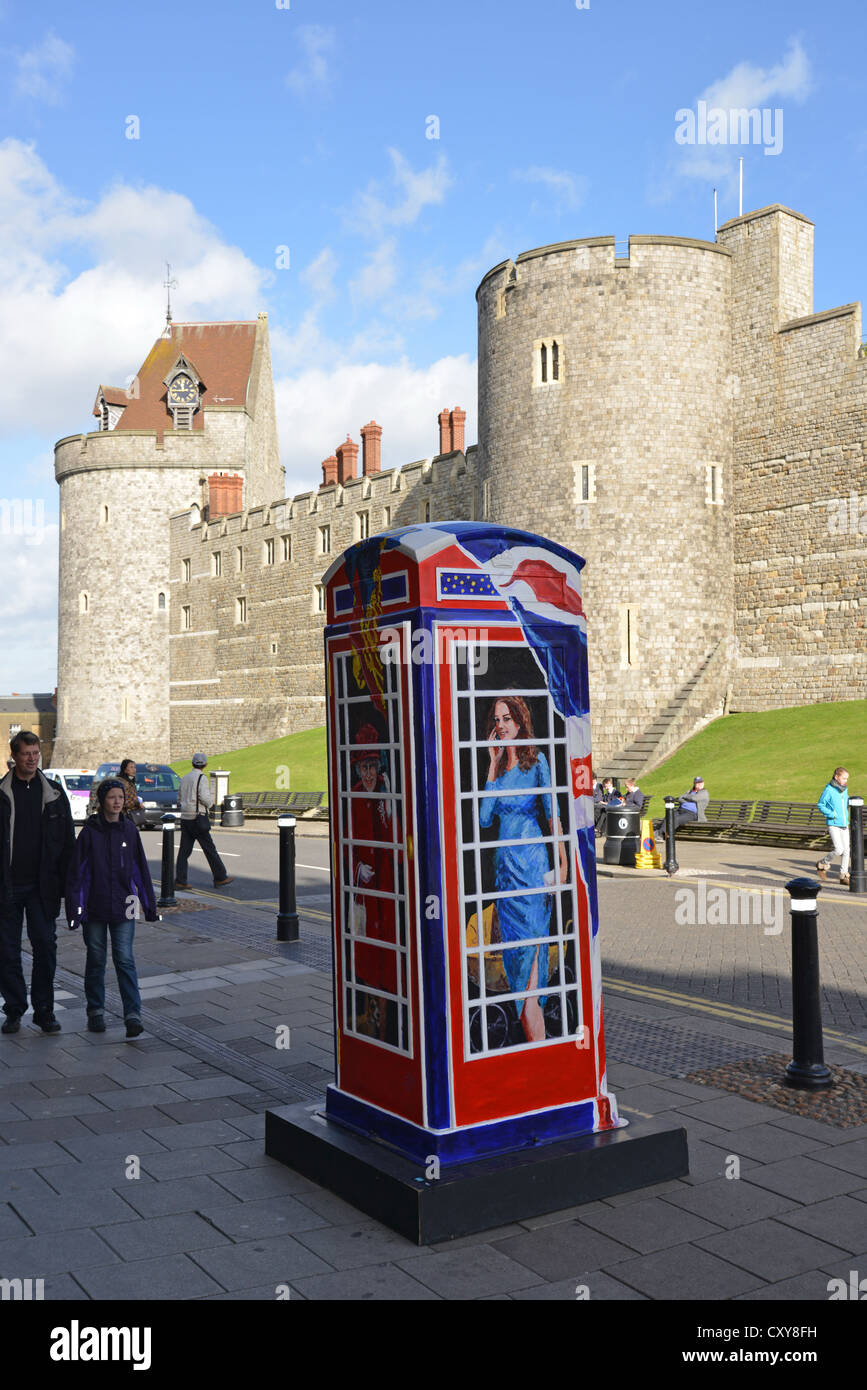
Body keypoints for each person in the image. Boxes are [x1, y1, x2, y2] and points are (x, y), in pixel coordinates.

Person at [480, 697, 568, 1044]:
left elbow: (553, 815)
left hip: (532, 870)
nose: (501, 725)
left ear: (519, 722)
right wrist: (491, 766)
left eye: (507, 718)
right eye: (496, 719)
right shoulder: (498, 772)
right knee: (517, 969)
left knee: (531, 972)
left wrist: (561, 862)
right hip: (505, 876)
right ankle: (537, 1051)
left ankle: (539, 1052)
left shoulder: (537, 762)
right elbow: (485, 819)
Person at [65, 778, 156, 1037]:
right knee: (96, 960)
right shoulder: (89, 833)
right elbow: (76, 876)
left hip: (124, 905)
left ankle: (133, 1014)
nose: (117, 802)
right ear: (102, 801)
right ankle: (95, 1011)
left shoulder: (129, 830)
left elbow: (141, 870)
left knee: (125, 959)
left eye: (120, 797)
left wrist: (149, 906)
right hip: (94, 907)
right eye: (112, 797)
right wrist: (75, 911)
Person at [0, 730, 75, 1034]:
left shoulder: (55, 794)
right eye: (26, 754)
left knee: (45, 946)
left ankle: (44, 1011)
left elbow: (68, 844)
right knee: (6, 952)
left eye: (35, 754)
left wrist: (68, 889)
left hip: (42, 887)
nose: (32, 759)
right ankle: (15, 1008)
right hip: (7, 887)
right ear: (14, 757)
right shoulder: (2, 794)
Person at [348, 725, 400, 1042]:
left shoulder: (384, 793)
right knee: (368, 962)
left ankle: (387, 1028)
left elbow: (398, 837)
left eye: (372, 766)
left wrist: (391, 805)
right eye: (363, 767)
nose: (368, 774)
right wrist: (357, 869)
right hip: (365, 897)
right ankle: (371, 1026)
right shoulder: (353, 796)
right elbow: (345, 846)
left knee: (388, 968)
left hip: (388, 892)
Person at [175, 754, 233, 889]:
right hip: (198, 817)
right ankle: (220, 877)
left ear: (192, 763)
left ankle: (180, 880)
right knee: (210, 849)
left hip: (185, 818)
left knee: (184, 852)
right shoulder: (202, 778)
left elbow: (179, 798)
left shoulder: (184, 778)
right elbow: (204, 797)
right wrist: (211, 804)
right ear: (205, 765)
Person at [816, 767, 850, 886]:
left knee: (847, 851)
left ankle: (843, 875)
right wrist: (831, 814)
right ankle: (823, 863)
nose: (846, 781)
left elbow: (845, 803)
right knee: (839, 849)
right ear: (836, 777)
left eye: (847, 779)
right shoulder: (829, 790)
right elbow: (820, 804)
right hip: (833, 824)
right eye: (844, 778)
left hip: (845, 824)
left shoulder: (844, 790)